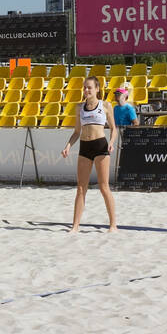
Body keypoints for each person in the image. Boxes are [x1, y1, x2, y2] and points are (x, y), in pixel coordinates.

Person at [60, 75, 119, 233]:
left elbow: (114, 129)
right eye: (85, 87)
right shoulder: (79, 108)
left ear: (97, 89)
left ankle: (113, 225)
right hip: (84, 147)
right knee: (80, 188)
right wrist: (67, 146)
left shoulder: (105, 105)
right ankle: (75, 226)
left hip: (101, 147)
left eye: (89, 87)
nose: (86, 90)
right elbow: (76, 132)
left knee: (103, 187)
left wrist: (112, 142)